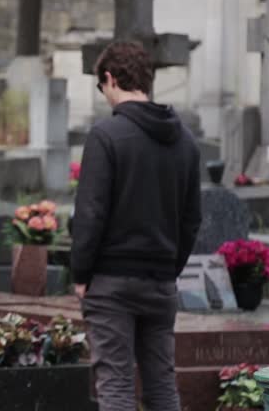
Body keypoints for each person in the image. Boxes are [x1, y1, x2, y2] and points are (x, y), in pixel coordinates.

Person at [70, 41, 202, 411]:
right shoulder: (186, 143)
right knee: (162, 387)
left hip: (111, 282)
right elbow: (192, 219)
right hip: (160, 282)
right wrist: (168, 267)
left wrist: (80, 274)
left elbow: (91, 213)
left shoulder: (106, 136)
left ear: (110, 79)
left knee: (116, 386)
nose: (104, 96)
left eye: (101, 88)